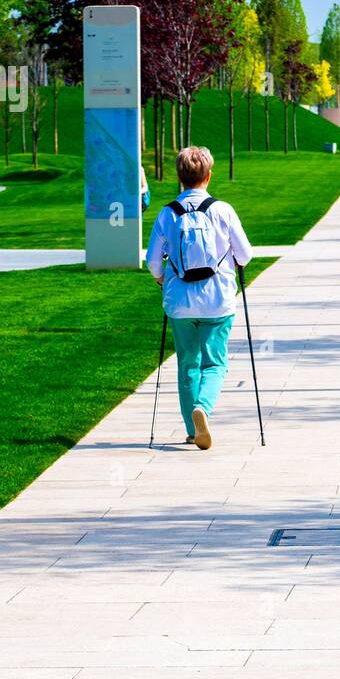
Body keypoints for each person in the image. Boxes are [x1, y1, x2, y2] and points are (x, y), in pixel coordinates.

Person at [146, 145, 252, 450]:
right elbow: (245, 254)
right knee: (215, 363)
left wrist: (164, 281)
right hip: (218, 299)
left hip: (180, 302)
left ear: (180, 176)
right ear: (208, 175)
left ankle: (192, 430)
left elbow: (154, 262)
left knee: (187, 364)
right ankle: (203, 409)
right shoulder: (222, 210)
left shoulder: (168, 213)